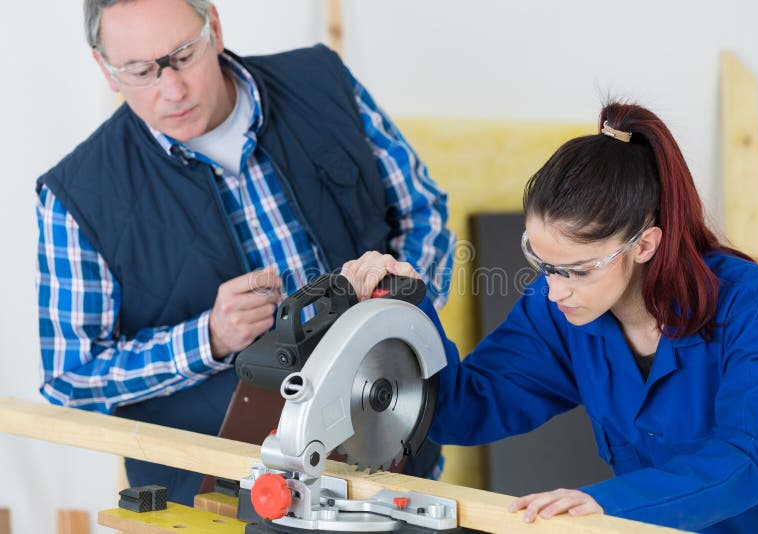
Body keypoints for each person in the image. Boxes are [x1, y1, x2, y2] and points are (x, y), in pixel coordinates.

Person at [36, 0, 454, 505]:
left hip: (391, 460)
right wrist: (207, 338)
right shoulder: (76, 195)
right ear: (105, 69)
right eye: (141, 71)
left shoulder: (324, 81)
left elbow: (423, 214)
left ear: (213, 25)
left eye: (183, 56)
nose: (172, 90)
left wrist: (395, 312)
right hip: (219, 501)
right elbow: (70, 378)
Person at [341, 102, 758, 532]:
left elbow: (748, 457)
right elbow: (463, 409)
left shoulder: (744, 300)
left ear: (643, 246)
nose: (554, 289)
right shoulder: (554, 307)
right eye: (542, 262)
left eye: (578, 270)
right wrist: (406, 307)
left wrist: (607, 503)